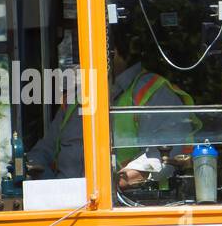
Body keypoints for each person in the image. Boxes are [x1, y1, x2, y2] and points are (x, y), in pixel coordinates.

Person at [27, 42, 194, 189]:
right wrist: (50, 188)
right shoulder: (74, 98)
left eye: (84, 51)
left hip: (129, 209)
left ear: (112, 51)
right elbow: (42, 153)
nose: (79, 62)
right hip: (63, 210)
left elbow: (164, 155)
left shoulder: (153, 92)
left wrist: (119, 182)